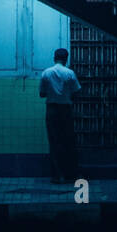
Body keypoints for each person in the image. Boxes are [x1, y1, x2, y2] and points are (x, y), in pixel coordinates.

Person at [39, 47, 81, 184]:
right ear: (66, 59)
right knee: (68, 141)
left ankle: (57, 176)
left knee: (54, 142)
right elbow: (77, 91)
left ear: (54, 58)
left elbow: (42, 94)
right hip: (66, 110)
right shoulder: (70, 73)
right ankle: (70, 174)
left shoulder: (46, 73)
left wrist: (52, 92)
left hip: (51, 110)